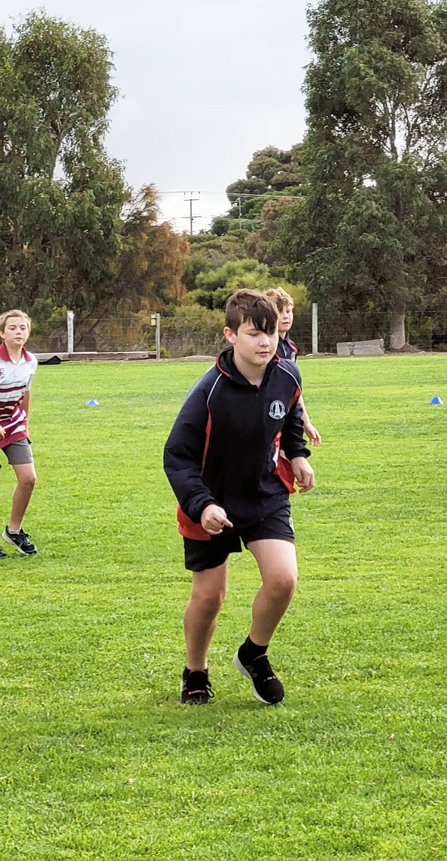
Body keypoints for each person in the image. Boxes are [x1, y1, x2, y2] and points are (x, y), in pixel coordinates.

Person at [164, 289, 315, 705]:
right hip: (210, 502)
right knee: (209, 597)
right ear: (230, 335)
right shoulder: (209, 391)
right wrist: (203, 504)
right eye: (253, 333)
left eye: (268, 332)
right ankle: (195, 670)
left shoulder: (288, 375)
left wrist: (297, 454)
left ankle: (254, 653)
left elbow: (291, 414)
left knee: (283, 579)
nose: (264, 342)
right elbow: (176, 455)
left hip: (265, 493)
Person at [0, 310, 40, 557]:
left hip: (12, 425)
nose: (18, 332)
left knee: (28, 478)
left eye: (22, 328)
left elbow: (25, 393)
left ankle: (14, 531)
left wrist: (23, 422)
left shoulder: (30, 361)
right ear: (2, 333)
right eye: (12, 328)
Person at [265, 287, 322, 446]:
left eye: (289, 311)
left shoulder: (290, 348)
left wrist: (306, 422)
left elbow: (293, 390)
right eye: (280, 311)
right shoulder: (265, 348)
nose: (285, 316)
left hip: (286, 415)